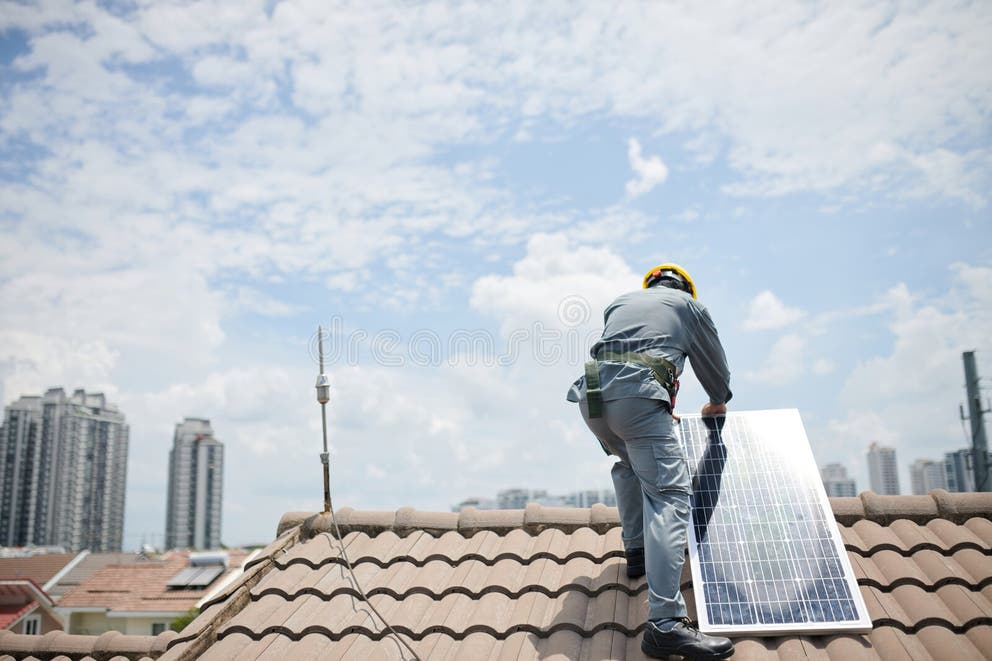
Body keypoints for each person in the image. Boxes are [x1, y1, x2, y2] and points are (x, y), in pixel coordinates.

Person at [566, 263, 734, 660]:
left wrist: (649, 407)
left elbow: (628, 354)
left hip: (592, 400)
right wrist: (717, 399)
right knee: (670, 497)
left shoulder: (619, 303)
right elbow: (714, 368)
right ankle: (665, 624)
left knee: (627, 463)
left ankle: (637, 551)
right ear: (686, 290)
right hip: (635, 398)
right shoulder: (690, 308)